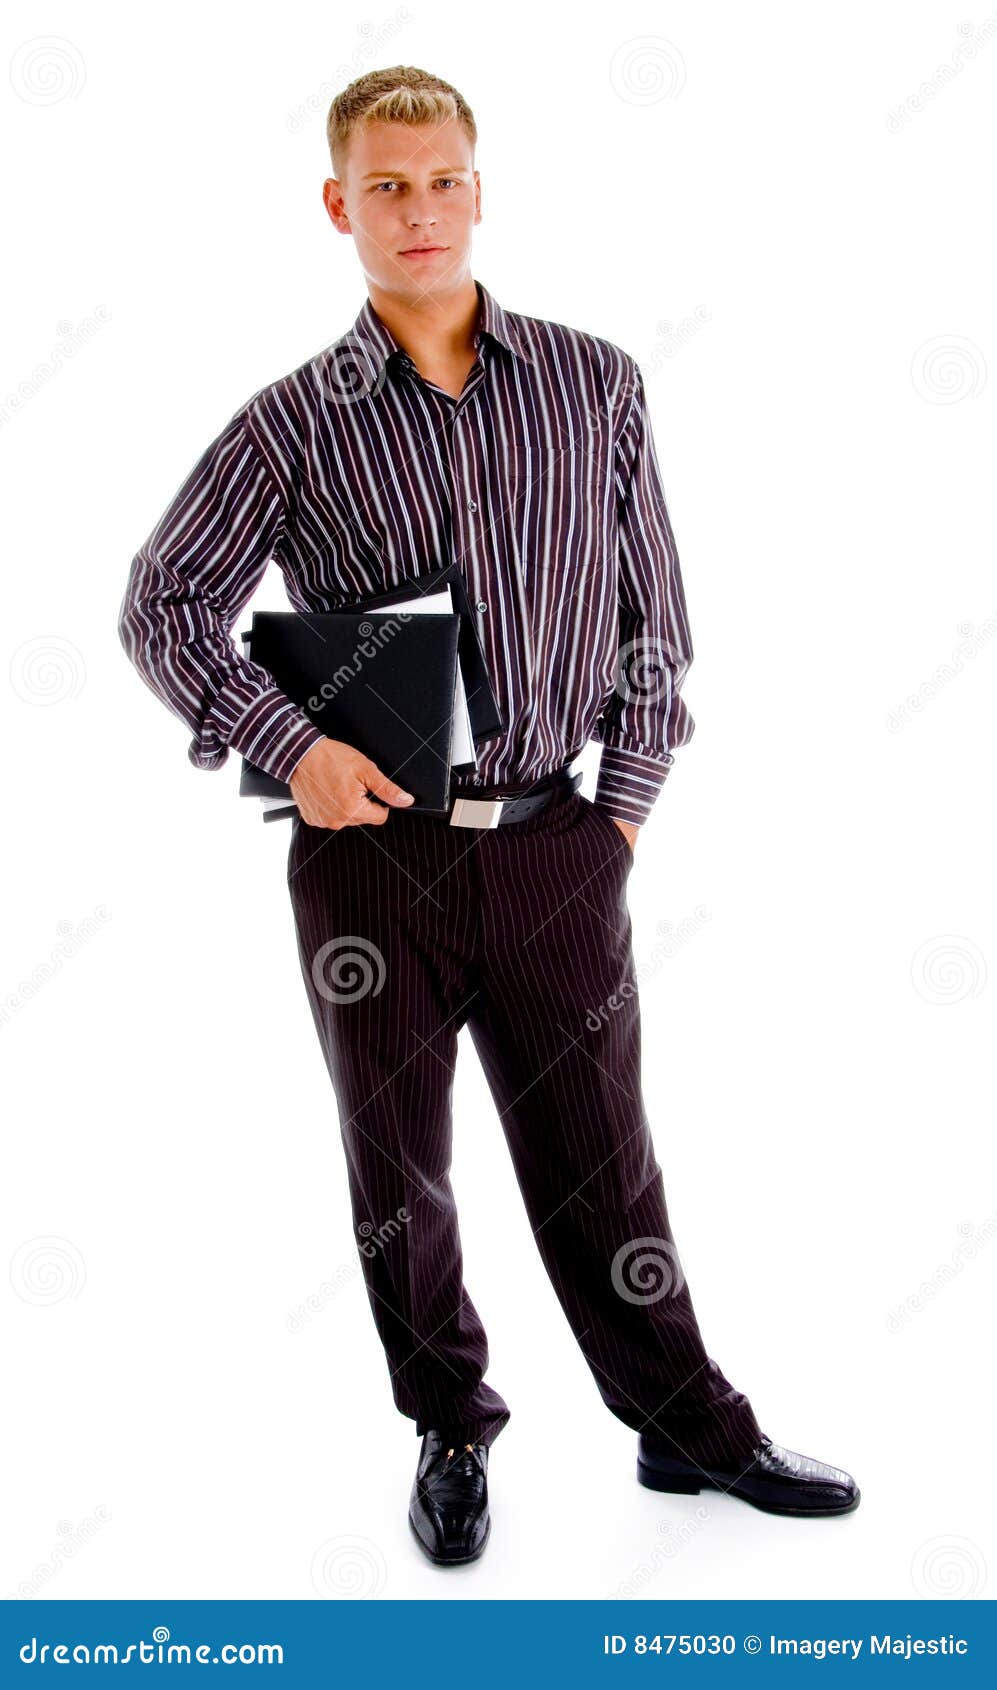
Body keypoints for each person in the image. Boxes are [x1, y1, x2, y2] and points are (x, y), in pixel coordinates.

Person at [118, 64, 860, 1567]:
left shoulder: (594, 383)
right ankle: (448, 1428)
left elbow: (656, 620)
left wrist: (619, 820)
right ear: (338, 206)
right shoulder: (288, 424)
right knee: (397, 1167)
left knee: (604, 1150)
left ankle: (684, 1419)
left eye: (441, 178)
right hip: (368, 864)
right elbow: (162, 600)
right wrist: (288, 745)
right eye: (383, 186)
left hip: (553, 849)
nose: (416, 210)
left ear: (480, 189)